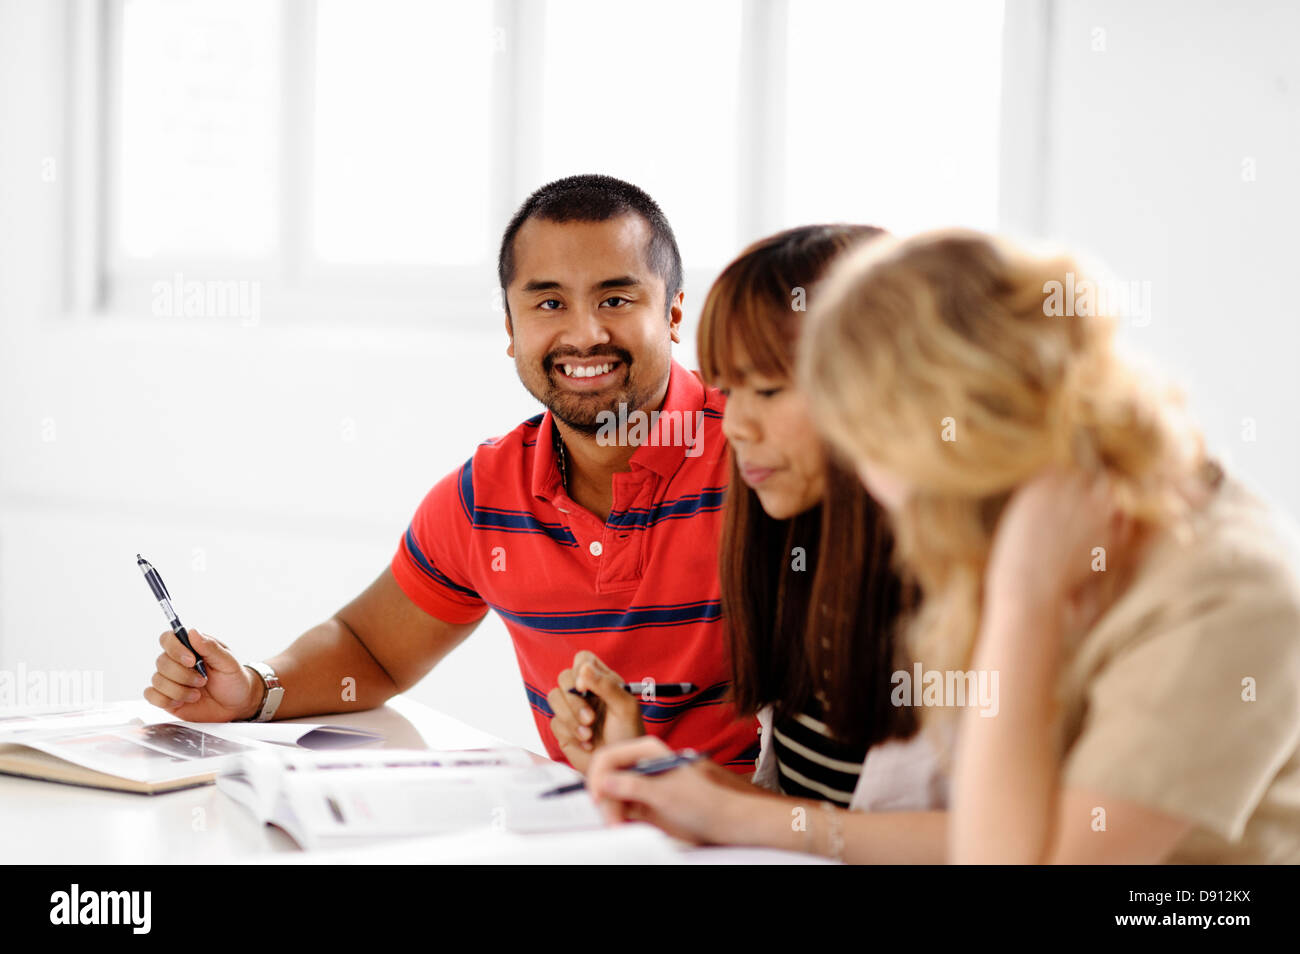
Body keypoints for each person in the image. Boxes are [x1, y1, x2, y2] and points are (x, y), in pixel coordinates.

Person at [142, 174, 759, 774]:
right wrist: (254, 690)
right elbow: (371, 649)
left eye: (615, 300)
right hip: (603, 836)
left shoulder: (762, 454)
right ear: (512, 330)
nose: (583, 334)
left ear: (676, 315)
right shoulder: (485, 496)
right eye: (549, 303)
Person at [793, 228, 1300, 863]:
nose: (865, 474)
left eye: (867, 438)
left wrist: (1023, 601)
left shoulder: (1224, 592)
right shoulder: (1022, 520)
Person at [574, 226, 948, 862]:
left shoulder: (979, 587)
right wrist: (665, 775)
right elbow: (827, 822)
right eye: (727, 389)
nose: (737, 425)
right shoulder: (796, 558)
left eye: (769, 391)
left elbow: (1021, 843)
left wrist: (728, 810)